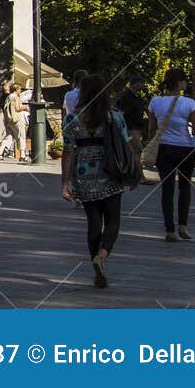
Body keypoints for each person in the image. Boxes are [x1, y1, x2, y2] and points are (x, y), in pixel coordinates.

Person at [61, 73, 131, 288]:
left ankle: (95, 263)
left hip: (84, 176)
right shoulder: (115, 117)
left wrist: (66, 181)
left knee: (93, 222)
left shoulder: (72, 119)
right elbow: (126, 147)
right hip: (111, 174)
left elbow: (68, 151)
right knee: (113, 221)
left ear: (82, 93)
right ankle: (102, 255)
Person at [147, 68, 195, 242]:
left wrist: (152, 145)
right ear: (179, 83)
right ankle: (183, 225)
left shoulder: (155, 102)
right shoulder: (189, 103)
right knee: (185, 187)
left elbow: (151, 129)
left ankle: (169, 229)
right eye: (184, 81)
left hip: (164, 147)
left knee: (167, 188)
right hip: (186, 148)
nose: (186, 84)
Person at [116, 74, 148, 150]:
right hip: (130, 129)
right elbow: (120, 113)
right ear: (134, 84)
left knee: (136, 152)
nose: (142, 85)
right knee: (137, 150)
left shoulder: (137, 97)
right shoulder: (126, 97)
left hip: (137, 129)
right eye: (140, 82)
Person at [3, 82, 27, 162]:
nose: (20, 90)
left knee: (9, 136)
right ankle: (22, 155)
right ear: (16, 89)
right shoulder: (16, 97)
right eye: (20, 89)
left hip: (9, 120)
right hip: (17, 119)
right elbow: (17, 108)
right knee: (21, 136)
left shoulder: (8, 97)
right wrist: (25, 107)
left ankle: (0, 152)